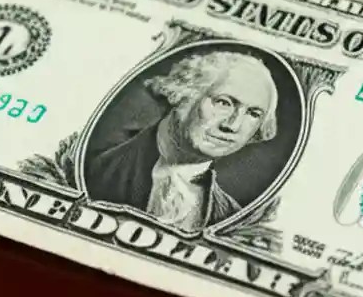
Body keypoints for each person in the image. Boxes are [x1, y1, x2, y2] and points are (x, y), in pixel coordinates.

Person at [86, 50, 279, 232]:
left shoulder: (231, 216)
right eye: (223, 103)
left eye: (253, 114)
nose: (233, 126)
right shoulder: (98, 169)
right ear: (185, 95)